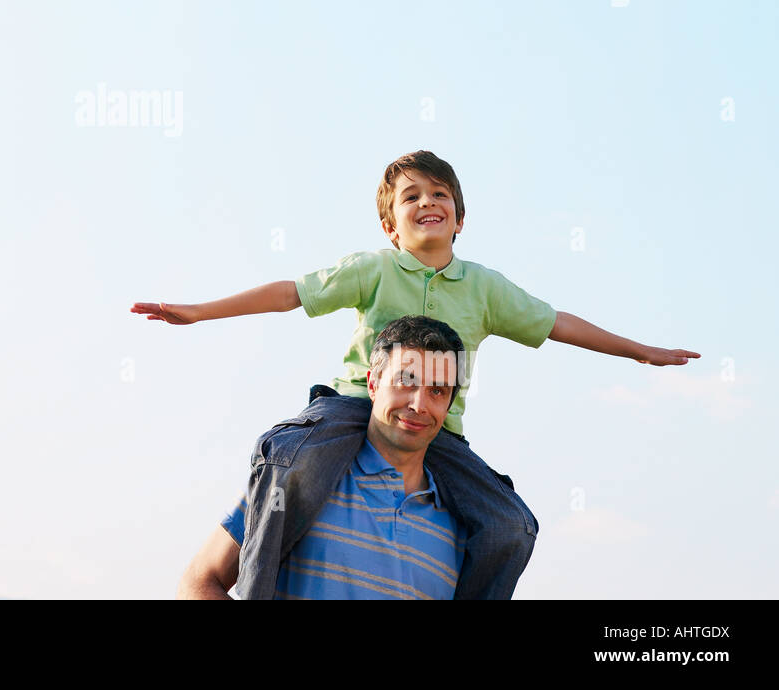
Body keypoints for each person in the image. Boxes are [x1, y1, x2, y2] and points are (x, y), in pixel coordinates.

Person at [135, 149, 700, 599]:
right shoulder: (374, 268)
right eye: (411, 197)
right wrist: (198, 311)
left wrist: (640, 352)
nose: (427, 202)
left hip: (438, 430)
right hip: (356, 404)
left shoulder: (485, 288)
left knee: (510, 527)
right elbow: (290, 293)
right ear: (390, 225)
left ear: (460, 217)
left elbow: (558, 324)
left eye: (440, 195)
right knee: (290, 462)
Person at [178, 316, 465, 599]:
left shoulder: (463, 526)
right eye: (406, 381)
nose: (419, 404)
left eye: (437, 391)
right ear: (373, 385)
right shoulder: (297, 477)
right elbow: (198, 583)